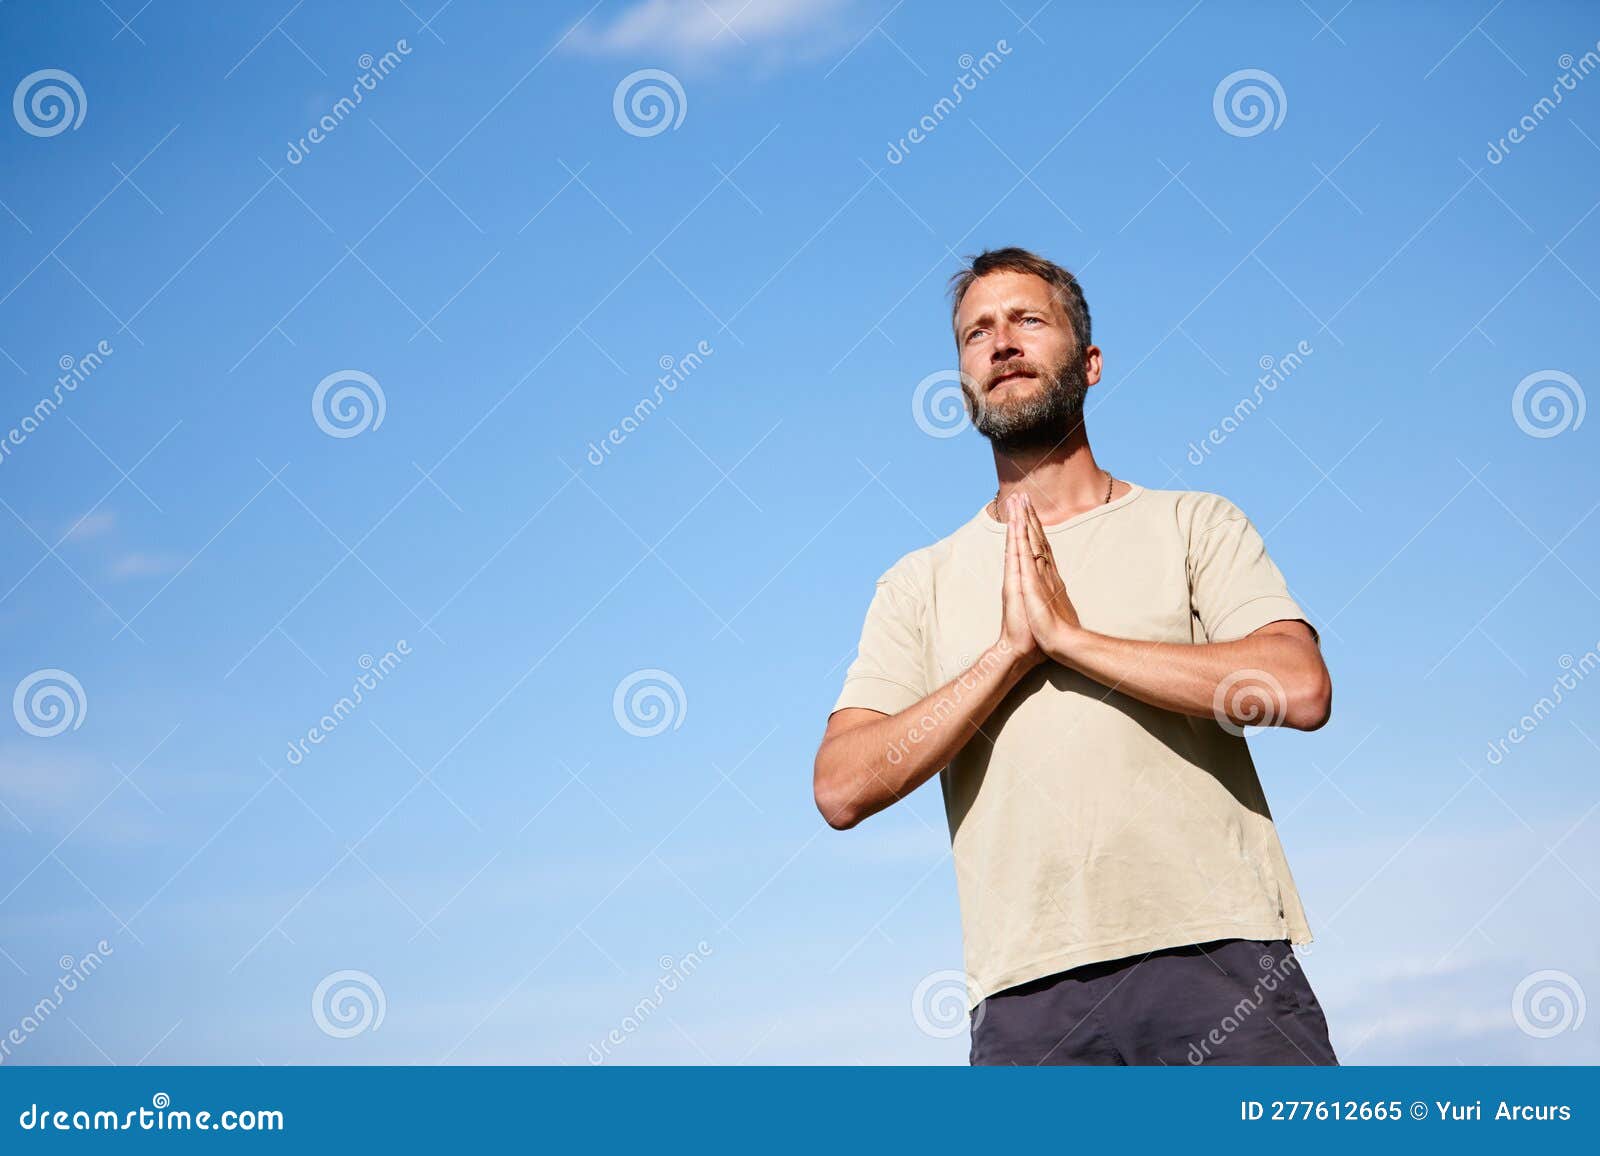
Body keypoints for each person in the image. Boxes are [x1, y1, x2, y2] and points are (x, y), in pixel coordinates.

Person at [813, 247, 1338, 1066]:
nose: (1002, 343)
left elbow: (1299, 688)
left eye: (1028, 319)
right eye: (976, 332)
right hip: (1029, 1000)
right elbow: (841, 787)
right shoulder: (917, 583)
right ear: (963, 381)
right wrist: (1008, 657)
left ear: (1090, 364)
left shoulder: (1194, 523)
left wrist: (1075, 642)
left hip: (1222, 958)